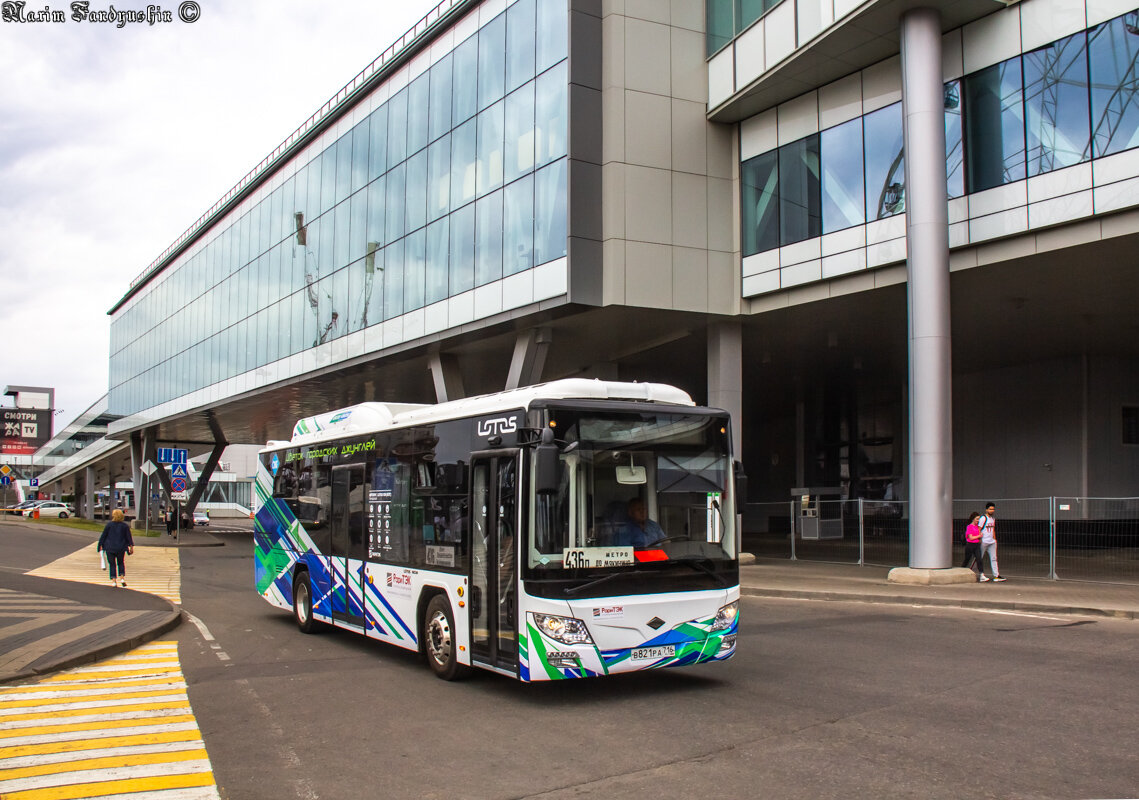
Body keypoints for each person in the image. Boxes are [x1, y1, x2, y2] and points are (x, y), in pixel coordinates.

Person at [97, 509, 135, 588]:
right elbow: (128, 537)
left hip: (110, 548)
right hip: (121, 548)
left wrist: (100, 545)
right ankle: (122, 578)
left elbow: (103, 536)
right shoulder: (124, 526)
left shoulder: (109, 525)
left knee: (112, 564)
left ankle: (114, 581)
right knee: (121, 562)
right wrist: (131, 547)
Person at [978, 502, 1006, 582]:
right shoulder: (983, 518)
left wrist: (994, 539)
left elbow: (993, 529)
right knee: (979, 558)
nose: (992, 510)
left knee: (994, 558)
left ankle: (996, 575)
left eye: (993, 509)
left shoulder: (992, 519)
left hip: (991, 541)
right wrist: (979, 539)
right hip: (984, 541)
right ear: (986, 509)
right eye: (990, 509)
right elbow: (979, 529)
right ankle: (979, 574)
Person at [961, 512, 985, 580]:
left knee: (979, 559)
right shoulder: (969, 527)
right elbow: (970, 537)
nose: (978, 520)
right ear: (973, 519)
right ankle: (961, 571)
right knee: (967, 559)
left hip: (977, 545)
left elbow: (977, 536)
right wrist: (979, 536)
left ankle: (981, 574)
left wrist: (979, 538)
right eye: (977, 519)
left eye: (979, 519)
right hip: (970, 545)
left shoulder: (977, 527)